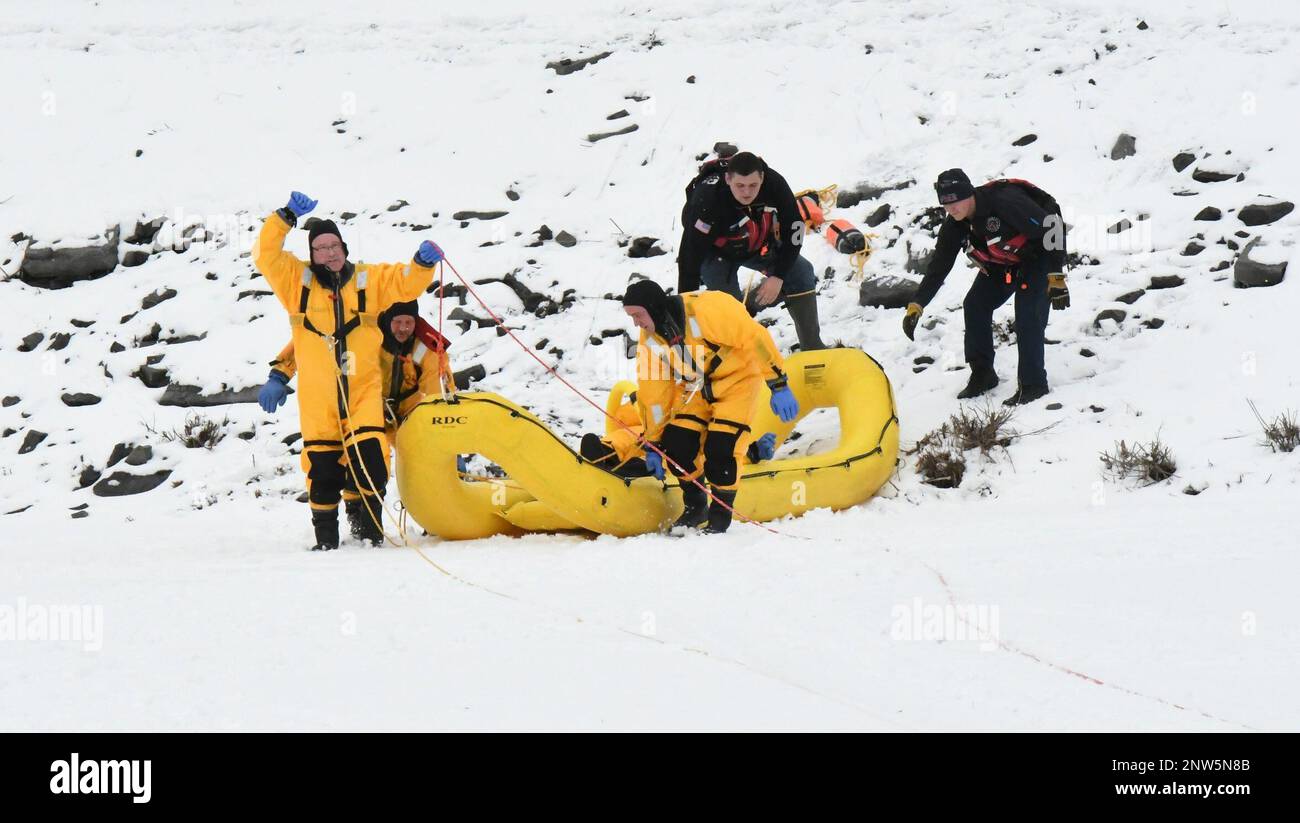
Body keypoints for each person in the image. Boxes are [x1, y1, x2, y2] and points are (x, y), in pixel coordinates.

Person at [253, 190, 442, 550]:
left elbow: (404, 282)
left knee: (371, 460)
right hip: (318, 400)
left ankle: (368, 532)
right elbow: (266, 254)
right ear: (311, 254)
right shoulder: (297, 283)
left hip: (362, 393)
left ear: (344, 247)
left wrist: (421, 263)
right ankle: (326, 541)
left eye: (334, 245)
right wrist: (285, 217)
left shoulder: (368, 281)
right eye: (320, 248)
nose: (329, 253)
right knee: (323, 471)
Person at [258, 299, 454, 542]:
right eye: (398, 322)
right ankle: (357, 516)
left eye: (409, 322)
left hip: (407, 412)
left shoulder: (425, 347)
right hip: (365, 407)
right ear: (386, 320)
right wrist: (278, 375)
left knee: (425, 459)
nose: (403, 328)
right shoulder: (363, 332)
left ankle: (435, 517)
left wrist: (445, 437)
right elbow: (310, 343)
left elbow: (437, 393)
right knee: (362, 457)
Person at [622, 279, 799, 533]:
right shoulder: (650, 340)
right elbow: (654, 394)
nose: (636, 323)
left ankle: (720, 516)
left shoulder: (708, 309)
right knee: (676, 446)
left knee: (722, 449)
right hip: (696, 388)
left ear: (654, 307)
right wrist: (653, 442)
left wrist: (778, 384)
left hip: (737, 382)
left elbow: (755, 337)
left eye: (638, 315)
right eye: (631, 317)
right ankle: (695, 507)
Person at [902, 169, 1070, 405]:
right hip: (1004, 262)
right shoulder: (956, 225)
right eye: (945, 204)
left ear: (968, 193)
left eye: (956, 201)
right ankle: (983, 375)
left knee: (1027, 315)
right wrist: (918, 303)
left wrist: (1056, 275)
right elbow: (939, 265)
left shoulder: (1004, 203)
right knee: (975, 304)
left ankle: (1033, 385)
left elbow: (1051, 227)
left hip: (1039, 257)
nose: (952, 209)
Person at [677, 151, 827, 351]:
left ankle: (813, 348)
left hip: (758, 244)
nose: (746, 192)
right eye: (740, 186)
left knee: (801, 272)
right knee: (729, 308)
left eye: (753, 185)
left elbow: (795, 230)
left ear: (762, 178)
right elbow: (689, 258)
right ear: (728, 179)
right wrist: (685, 310)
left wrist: (778, 276)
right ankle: (741, 359)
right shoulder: (708, 200)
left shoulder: (775, 184)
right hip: (716, 253)